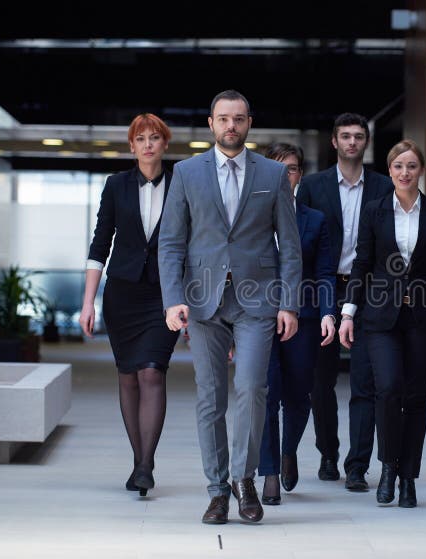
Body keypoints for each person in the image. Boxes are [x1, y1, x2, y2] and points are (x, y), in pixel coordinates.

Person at [158, 90, 302, 525]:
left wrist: (290, 303)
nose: (231, 126)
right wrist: (172, 299)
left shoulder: (273, 174)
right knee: (210, 398)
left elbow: (289, 247)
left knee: (252, 388)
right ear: (211, 123)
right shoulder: (186, 172)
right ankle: (217, 490)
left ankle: (245, 480)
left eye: (238, 119)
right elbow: (171, 242)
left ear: (249, 123)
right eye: (224, 118)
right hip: (203, 302)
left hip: (258, 299)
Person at [338, 138, 426, 508]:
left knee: (414, 397)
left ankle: (409, 477)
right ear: (389, 171)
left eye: (411, 166)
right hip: (379, 317)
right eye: (398, 166)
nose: (405, 173)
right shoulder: (375, 210)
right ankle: (389, 466)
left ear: (420, 170)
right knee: (389, 388)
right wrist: (348, 313)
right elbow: (361, 264)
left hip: (424, 318)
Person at [79, 113, 180, 497]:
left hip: (164, 294)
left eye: (155, 138)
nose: (149, 144)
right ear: (132, 146)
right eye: (142, 139)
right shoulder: (116, 185)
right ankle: (140, 462)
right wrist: (88, 302)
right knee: (127, 376)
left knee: (152, 373)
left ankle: (145, 463)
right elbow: (99, 243)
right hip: (121, 295)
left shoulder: (181, 183)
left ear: (165, 144)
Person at [296, 113, 393, 492]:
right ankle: (328, 453)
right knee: (321, 382)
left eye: (359, 136)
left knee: (364, 381)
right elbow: (300, 243)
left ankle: (357, 465)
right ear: (334, 142)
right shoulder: (313, 186)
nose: (352, 142)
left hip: (369, 292)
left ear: (366, 143)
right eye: (345, 136)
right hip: (324, 289)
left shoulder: (385, 187)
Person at [258, 142, 337, 505]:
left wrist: (327, 312)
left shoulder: (315, 220)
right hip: (257, 316)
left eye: (289, 168)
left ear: (298, 175)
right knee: (266, 393)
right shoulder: (250, 217)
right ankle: (270, 471)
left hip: (303, 317)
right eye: (275, 167)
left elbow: (324, 273)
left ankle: (288, 449)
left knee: (298, 395)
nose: (283, 174)